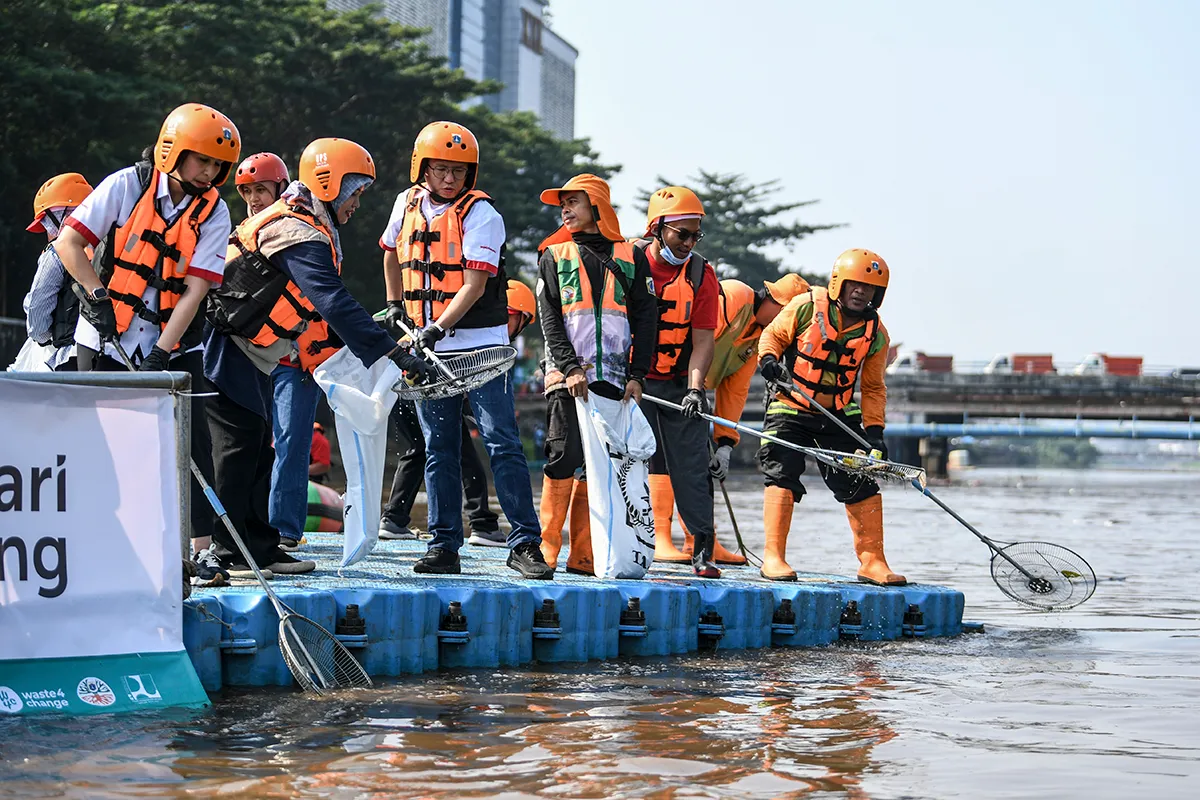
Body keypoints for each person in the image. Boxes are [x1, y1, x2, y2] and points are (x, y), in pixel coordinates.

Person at [204, 136, 434, 577]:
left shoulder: (311, 224)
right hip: (225, 343)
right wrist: (394, 355)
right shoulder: (300, 231)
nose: (357, 203)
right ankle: (224, 551)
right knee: (239, 447)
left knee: (260, 448)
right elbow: (332, 301)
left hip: (257, 352)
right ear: (330, 184)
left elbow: (323, 314)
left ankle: (261, 547)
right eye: (355, 191)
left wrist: (380, 346)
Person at [53, 103, 239, 587]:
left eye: (218, 165)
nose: (210, 172)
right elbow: (69, 244)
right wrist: (95, 293)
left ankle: (201, 551)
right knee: (96, 445)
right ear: (172, 151)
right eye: (203, 160)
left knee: (192, 446)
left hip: (171, 342)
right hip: (103, 337)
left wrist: (162, 354)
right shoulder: (126, 185)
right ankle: (90, 540)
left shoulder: (215, 210)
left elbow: (196, 289)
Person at [379, 120, 550, 579]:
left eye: (458, 170)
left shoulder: (483, 215)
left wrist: (434, 326)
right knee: (439, 448)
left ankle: (525, 544)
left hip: (480, 350)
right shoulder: (406, 203)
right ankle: (443, 545)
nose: (449, 179)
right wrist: (397, 305)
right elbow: (391, 253)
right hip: (429, 348)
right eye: (440, 169)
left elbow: (474, 285)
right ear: (423, 168)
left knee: (502, 442)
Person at [755, 248, 905, 585]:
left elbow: (873, 387)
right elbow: (773, 336)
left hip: (838, 412)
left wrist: (875, 431)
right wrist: (767, 359)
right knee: (782, 471)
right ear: (839, 283)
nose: (860, 292)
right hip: (790, 404)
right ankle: (773, 557)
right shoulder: (805, 306)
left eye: (869, 288)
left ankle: (872, 562)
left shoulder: (877, 334)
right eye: (855, 284)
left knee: (860, 481)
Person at [534, 174, 658, 574]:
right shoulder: (554, 255)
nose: (565, 210)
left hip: (617, 379)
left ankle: (584, 554)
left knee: (600, 463)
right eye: (562, 204)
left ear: (598, 206)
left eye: (573, 202)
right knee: (562, 456)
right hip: (567, 376)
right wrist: (570, 367)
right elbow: (549, 318)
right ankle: (548, 547)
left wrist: (639, 374)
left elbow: (646, 317)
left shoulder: (632, 256)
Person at [656, 274, 811, 565]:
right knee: (663, 458)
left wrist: (725, 442)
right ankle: (661, 537)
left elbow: (735, 390)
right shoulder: (736, 295)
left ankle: (701, 541)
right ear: (772, 300)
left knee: (701, 466)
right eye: (784, 316)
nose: (783, 326)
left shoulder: (758, 338)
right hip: (673, 377)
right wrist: (694, 388)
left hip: (696, 391)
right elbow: (698, 337)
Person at [376, 278, 535, 545]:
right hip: (411, 389)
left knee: (427, 451)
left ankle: (395, 518)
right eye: (507, 317)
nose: (506, 326)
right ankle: (480, 523)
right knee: (443, 451)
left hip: (414, 386)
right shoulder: (454, 336)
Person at [233, 152, 321, 553]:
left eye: (261, 190)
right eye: (248, 191)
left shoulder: (302, 233)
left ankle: (285, 529)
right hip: (252, 357)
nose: (253, 198)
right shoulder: (241, 234)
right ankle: (248, 528)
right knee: (247, 442)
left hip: (294, 358)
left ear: (280, 190)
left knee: (290, 441)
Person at [633, 187, 721, 578]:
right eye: (680, 234)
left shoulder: (702, 274)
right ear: (657, 228)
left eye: (694, 236)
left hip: (675, 382)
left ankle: (702, 550)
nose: (687, 243)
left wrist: (695, 389)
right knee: (624, 460)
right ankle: (617, 545)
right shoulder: (629, 262)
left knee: (692, 465)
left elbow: (703, 339)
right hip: (629, 380)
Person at [21, 173, 94, 372]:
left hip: (69, 358)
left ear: (66, 215)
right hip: (115, 355)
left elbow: (38, 308)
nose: (47, 231)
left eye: (47, 223)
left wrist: (44, 339)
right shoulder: (112, 246)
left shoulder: (57, 251)